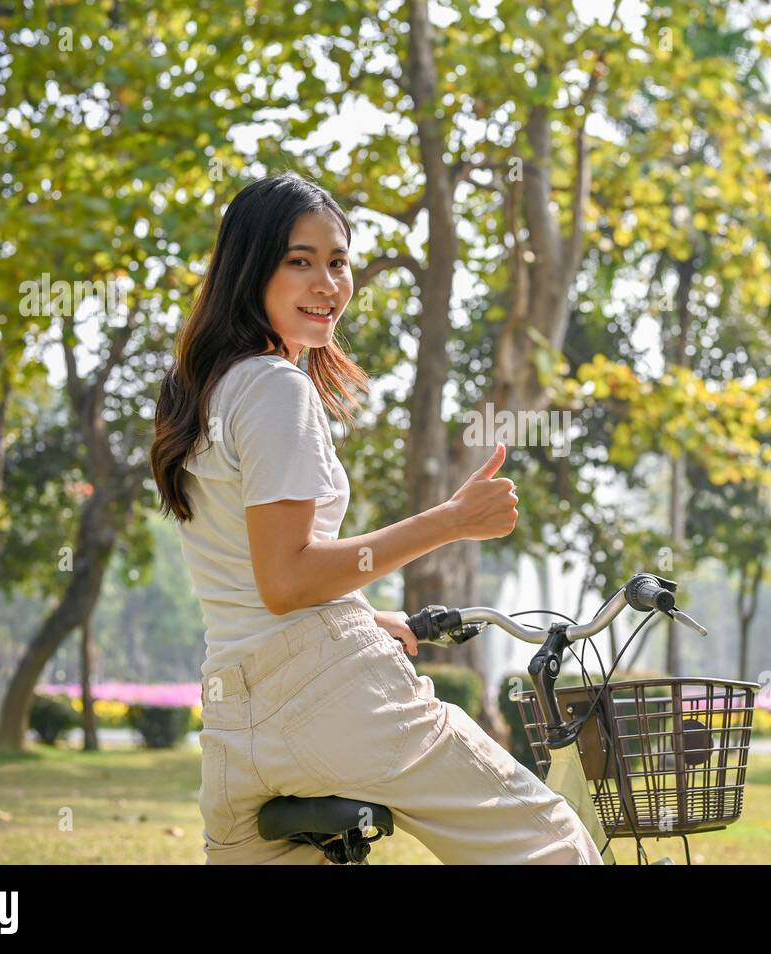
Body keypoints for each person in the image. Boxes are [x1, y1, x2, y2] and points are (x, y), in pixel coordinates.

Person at [149, 171, 602, 865]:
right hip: (330, 701)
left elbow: (256, 572)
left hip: (233, 717)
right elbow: (286, 579)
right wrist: (450, 520)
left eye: (338, 261)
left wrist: (360, 610)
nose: (327, 282)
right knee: (548, 841)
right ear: (250, 267)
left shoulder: (204, 388)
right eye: (299, 261)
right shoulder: (276, 388)